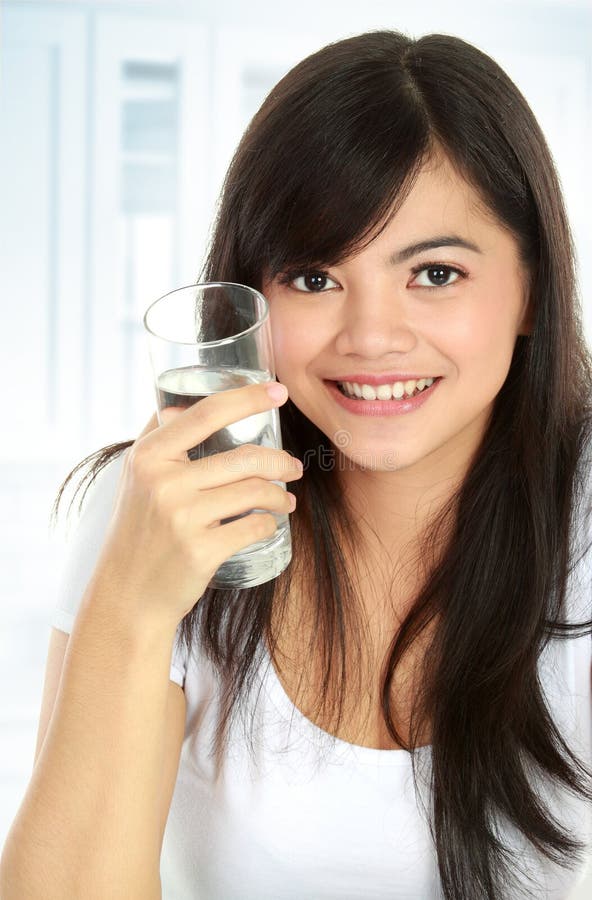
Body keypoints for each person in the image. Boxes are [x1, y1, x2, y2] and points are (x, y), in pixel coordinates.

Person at [1, 28, 591, 900]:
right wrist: (133, 601)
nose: (372, 338)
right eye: (315, 278)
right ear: (250, 302)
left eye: (433, 272)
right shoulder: (160, 507)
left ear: (532, 290)